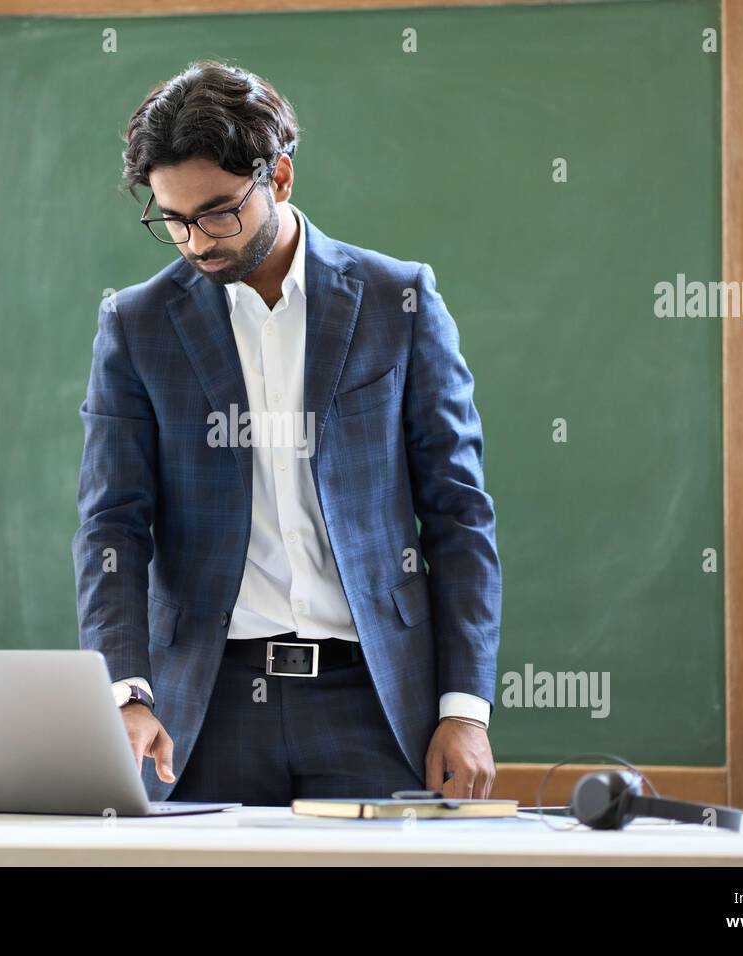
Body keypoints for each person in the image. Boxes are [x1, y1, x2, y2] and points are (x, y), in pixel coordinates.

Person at [72, 60, 501, 807]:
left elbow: (459, 513)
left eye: (216, 213)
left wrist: (463, 707)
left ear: (280, 179)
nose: (195, 241)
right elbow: (112, 524)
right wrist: (125, 692)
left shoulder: (397, 301)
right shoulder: (137, 326)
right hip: (205, 706)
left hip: (375, 698)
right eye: (169, 219)